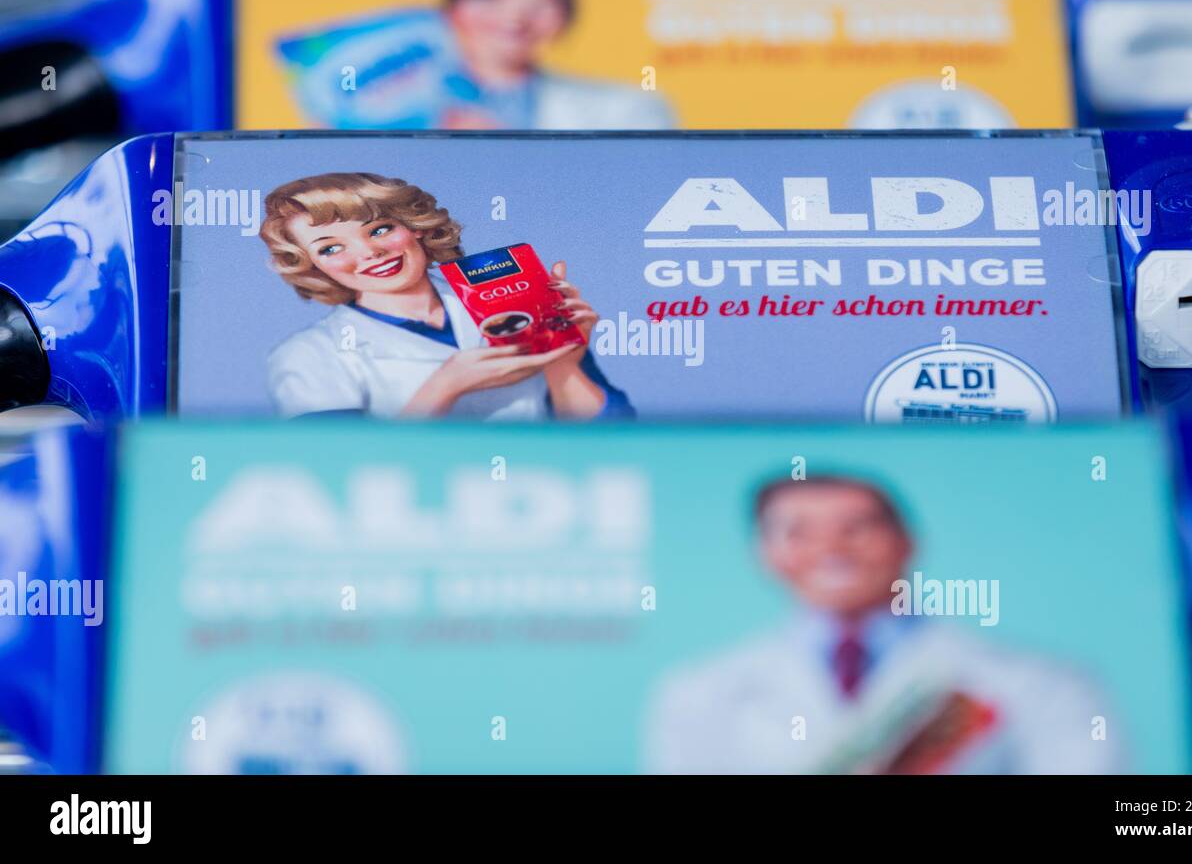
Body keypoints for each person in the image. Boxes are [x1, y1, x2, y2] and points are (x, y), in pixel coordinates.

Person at [644, 475, 1124, 774]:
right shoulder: (697, 691)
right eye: (799, 532)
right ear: (765, 555)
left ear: (907, 542)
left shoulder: (1038, 683)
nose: (831, 548)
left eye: (856, 528)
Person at [258, 172, 632, 420]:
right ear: (310, 265)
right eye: (330, 249)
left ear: (415, 228)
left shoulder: (511, 305)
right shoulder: (309, 355)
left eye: (379, 229)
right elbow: (329, 476)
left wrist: (562, 361)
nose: (369, 253)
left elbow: (614, 444)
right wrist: (444, 387)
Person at [436, 0, 675, 130]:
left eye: (542, 2)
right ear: (454, 7)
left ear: (566, 13)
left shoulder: (627, 107)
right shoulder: (404, 99)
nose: (515, 17)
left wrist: (505, 150)